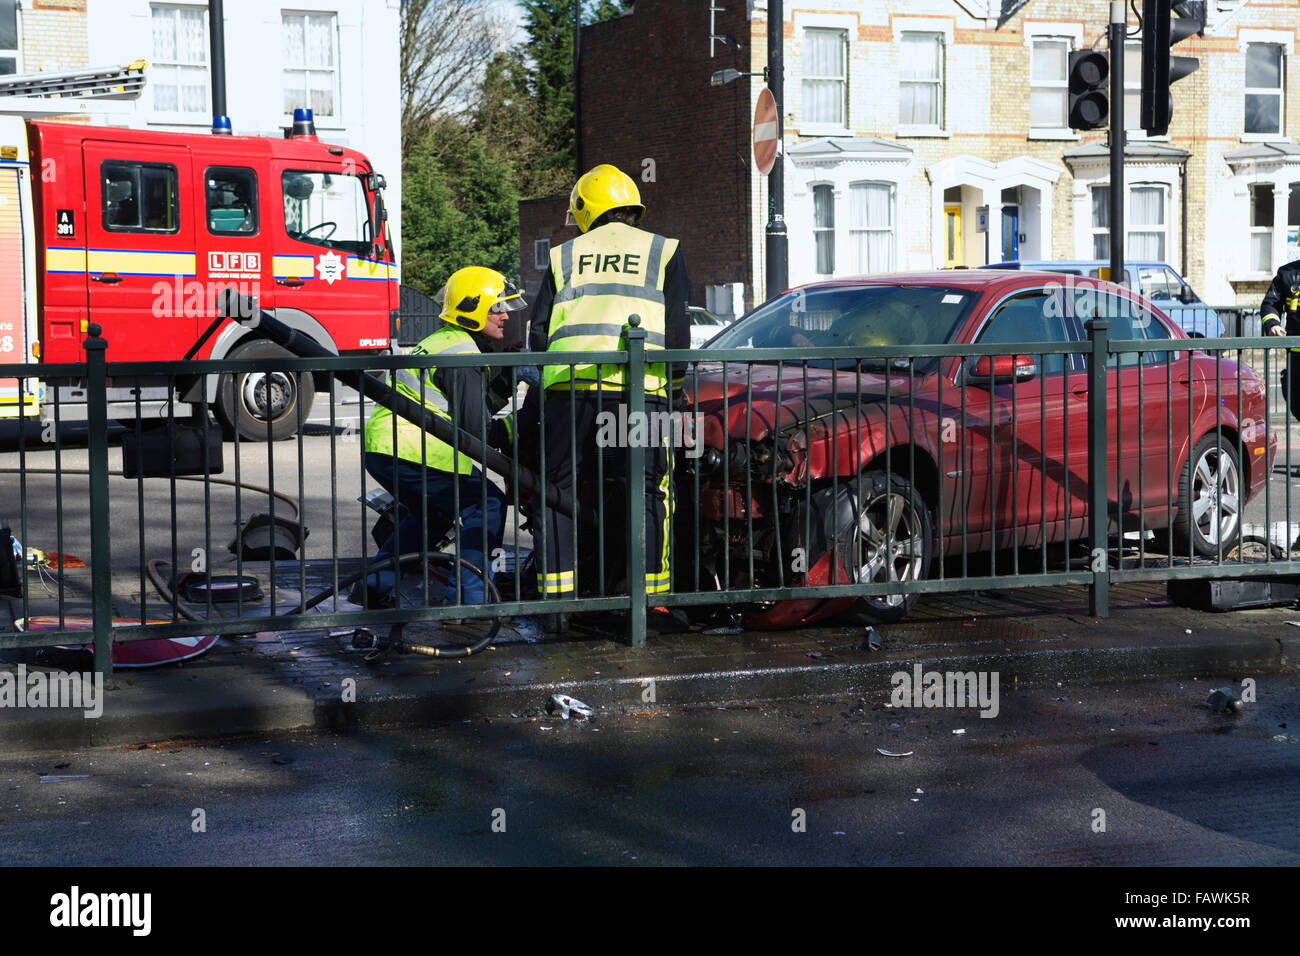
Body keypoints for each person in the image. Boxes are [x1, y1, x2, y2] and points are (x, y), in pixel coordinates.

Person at [529, 164, 690, 630]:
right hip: (642, 397)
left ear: (584, 209)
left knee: (556, 492)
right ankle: (647, 606)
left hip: (570, 394)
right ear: (632, 208)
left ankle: (558, 608)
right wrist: (674, 394)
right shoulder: (664, 250)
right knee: (646, 492)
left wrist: (548, 390)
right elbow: (679, 333)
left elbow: (538, 333)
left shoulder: (564, 255)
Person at [353, 266, 527, 609]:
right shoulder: (462, 354)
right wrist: (515, 427)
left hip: (387, 448)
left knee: (432, 516)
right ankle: (470, 600)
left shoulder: (442, 341)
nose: (505, 316)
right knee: (487, 502)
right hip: (415, 450)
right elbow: (476, 429)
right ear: (474, 308)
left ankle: (372, 587)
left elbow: (461, 408)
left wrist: (505, 382)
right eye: (497, 307)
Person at [1261, 258, 1300, 423]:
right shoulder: (1288, 273)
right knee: (1297, 402)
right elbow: (1270, 304)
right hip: (1297, 357)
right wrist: (1272, 324)